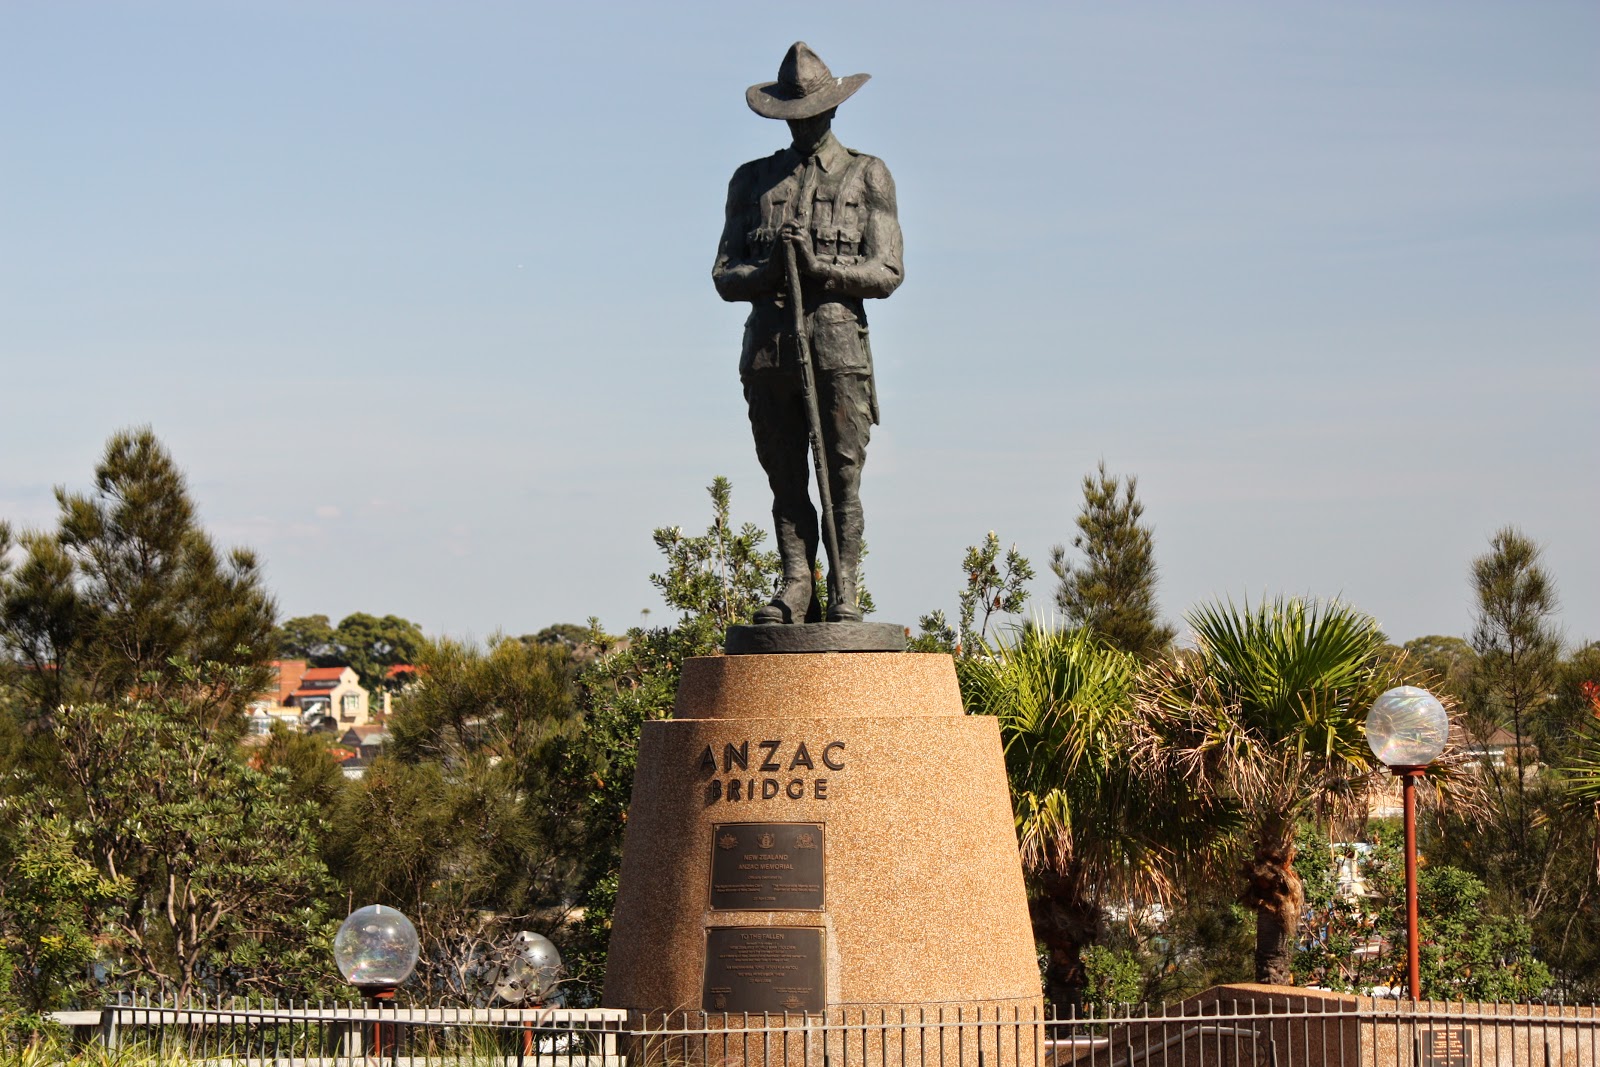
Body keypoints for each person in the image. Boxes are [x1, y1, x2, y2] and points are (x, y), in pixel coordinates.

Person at [713, 42, 904, 624]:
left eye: (812, 115)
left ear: (833, 111)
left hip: (839, 350)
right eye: (791, 117)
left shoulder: (867, 175)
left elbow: (889, 270)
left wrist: (825, 273)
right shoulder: (751, 182)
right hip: (770, 354)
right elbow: (724, 275)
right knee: (787, 480)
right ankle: (798, 583)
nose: (802, 126)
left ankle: (846, 589)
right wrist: (766, 273)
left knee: (842, 477)